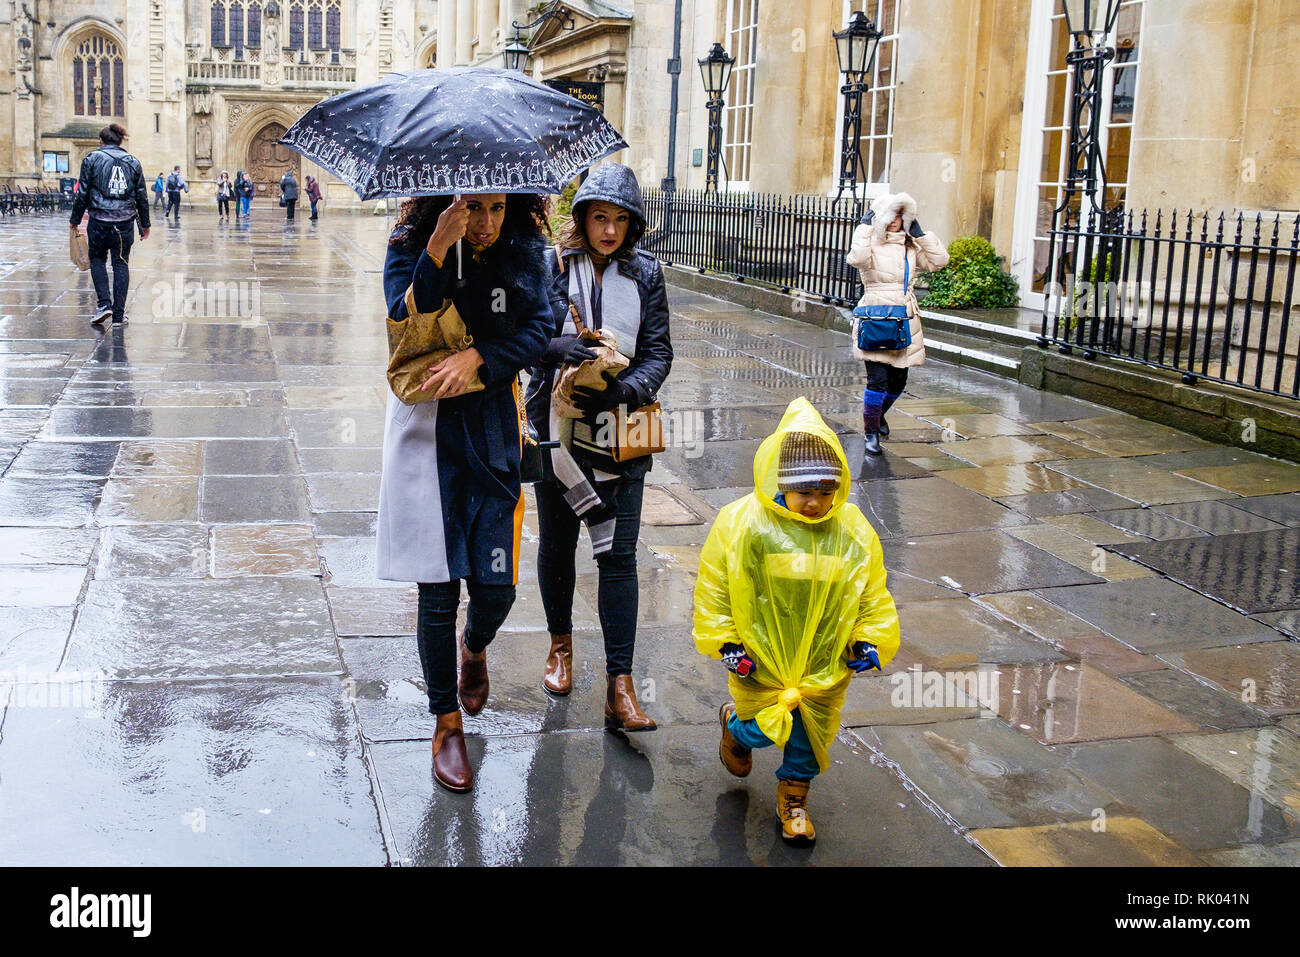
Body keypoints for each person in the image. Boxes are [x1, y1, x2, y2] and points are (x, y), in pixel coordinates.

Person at [379, 193, 554, 793]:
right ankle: (445, 723)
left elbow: (540, 328)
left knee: (496, 588)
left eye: (497, 209)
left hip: (494, 428)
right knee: (436, 585)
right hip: (428, 432)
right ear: (443, 203)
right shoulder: (407, 249)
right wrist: (437, 246)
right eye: (471, 208)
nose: (484, 223)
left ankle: (475, 647)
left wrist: (481, 356)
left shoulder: (524, 252)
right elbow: (406, 321)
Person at [693, 398, 900, 846]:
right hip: (759, 656)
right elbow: (716, 588)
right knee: (765, 726)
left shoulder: (851, 529)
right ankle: (735, 729)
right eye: (805, 493)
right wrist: (728, 644)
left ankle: (795, 801)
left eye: (826, 493)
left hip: (824, 658)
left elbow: (870, 592)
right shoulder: (743, 524)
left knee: (809, 735)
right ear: (779, 485)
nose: (815, 503)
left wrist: (867, 640)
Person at [524, 163, 673, 731]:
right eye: (598, 218)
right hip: (557, 430)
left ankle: (620, 684)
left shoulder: (647, 275)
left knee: (617, 557)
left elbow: (659, 351)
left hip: (621, 433)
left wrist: (624, 389)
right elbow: (525, 338)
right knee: (558, 547)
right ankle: (561, 646)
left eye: (618, 220)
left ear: (633, 224)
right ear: (582, 218)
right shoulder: (550, 265)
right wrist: (558, 349)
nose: (608, 231)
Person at [845, 192, 949, 457]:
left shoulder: (910, 247)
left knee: (899, 380)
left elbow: (939, 261)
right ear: (881, 217)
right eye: (891, 214)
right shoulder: (870, 243)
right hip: (876, 315)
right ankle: (871, 433)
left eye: (901, 215)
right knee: (877, 380)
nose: (896, 220)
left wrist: (921, 234)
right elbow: (856, 259)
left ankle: (878, 415)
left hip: (905, 317)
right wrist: (864, 228)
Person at [68, 123, 150, 326]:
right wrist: (145, 225)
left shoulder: (92, 159)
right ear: (120, 141)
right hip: (123, 222)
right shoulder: (133, 162)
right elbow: (141, 197)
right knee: (121, 263)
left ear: (101, 141)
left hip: (99, 220)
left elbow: (82, 193)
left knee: (97, 260)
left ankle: (104, 305)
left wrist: (75, 220)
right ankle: (119, 315)